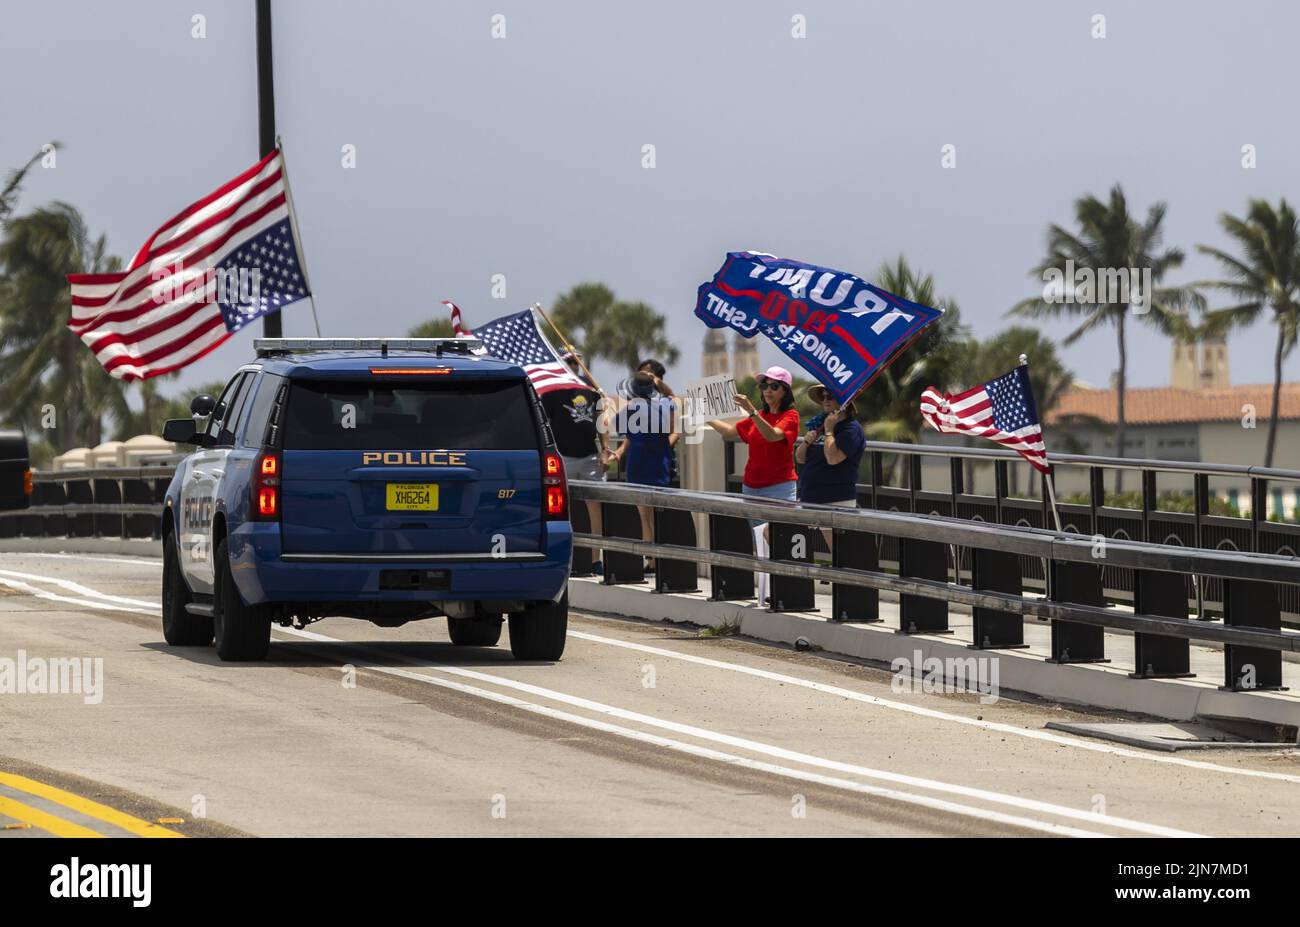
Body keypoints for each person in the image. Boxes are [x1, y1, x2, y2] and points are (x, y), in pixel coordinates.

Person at [708, 365, 800, 530]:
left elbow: (772, 435)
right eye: (765, 386)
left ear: (785, 391)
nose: (768, 390)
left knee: (779, 539)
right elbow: (729, 433)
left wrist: (751, 410)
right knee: (758, 541)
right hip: (751, 487)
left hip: (779, 488)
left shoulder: (790, 416)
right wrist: (704, 416)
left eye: (774, 386)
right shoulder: (760, 415)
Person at [544, 349, 609, 572]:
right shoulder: (551, 391)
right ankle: (567, 559)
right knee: (563, 511)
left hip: (591, 455)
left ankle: (595, 560)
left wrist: (606, 450)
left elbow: (602, 420)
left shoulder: (590, 387)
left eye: (576, 361)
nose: (574, 365)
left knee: (596, 508)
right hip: (564, 457)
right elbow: (545, 423)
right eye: (569, 361)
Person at [604, 372, 675, 571]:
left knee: (644, 515)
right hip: (659, 465)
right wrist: (660, 383)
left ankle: (651, 558)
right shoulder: (664, 404)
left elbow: (616, 426)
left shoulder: (632, 409)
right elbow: (673, 402)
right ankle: (661, 558)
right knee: (660, 514)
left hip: (637, 465)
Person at [796, 384, 865, 553]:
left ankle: (844, 579)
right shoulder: (819, 424)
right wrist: (806, 441)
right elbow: (800, 458)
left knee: (841, 554)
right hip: (811, 498)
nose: (825, 400)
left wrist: (828, 431)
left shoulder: (851, 429)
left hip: (835, 499)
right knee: (773, 533)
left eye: (830, 397)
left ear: (843, 401)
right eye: (823, 397)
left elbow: (833, 458)